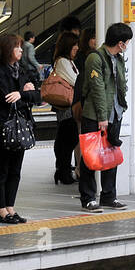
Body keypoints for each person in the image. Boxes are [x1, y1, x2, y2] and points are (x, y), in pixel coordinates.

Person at [0, 32, 39, 223]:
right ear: (6, 49)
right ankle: (0, 209)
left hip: (21, 126)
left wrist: (22, 95)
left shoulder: (23, 71)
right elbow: (5, 98)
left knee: (15, 169)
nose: (20, 50)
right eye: (16, 47)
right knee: (2, 169)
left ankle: (10, 206)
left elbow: (37, 96)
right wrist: (23, 93)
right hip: (3, 126)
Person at [79, 22, 134, 208]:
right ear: (120, 43)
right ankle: (88, 198)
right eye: (126, 42)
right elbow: (98, 90)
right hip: (95, 115)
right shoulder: (95, 58)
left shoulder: (117, 58)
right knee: (90, 156)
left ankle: (109, 195)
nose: (127, 46)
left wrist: (122, 108)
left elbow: (121, 85)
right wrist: (102, 117)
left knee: (110, 155)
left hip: (115, 113)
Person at [50, 31, 81, 185]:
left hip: (71, 106)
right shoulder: (62, 61)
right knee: (67, 140)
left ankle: (63, 171)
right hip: (66, 107)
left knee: (67, 139)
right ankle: (63, 172)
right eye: (74, 45)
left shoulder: (69, 61)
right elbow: (75, 81)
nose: (77, 47)